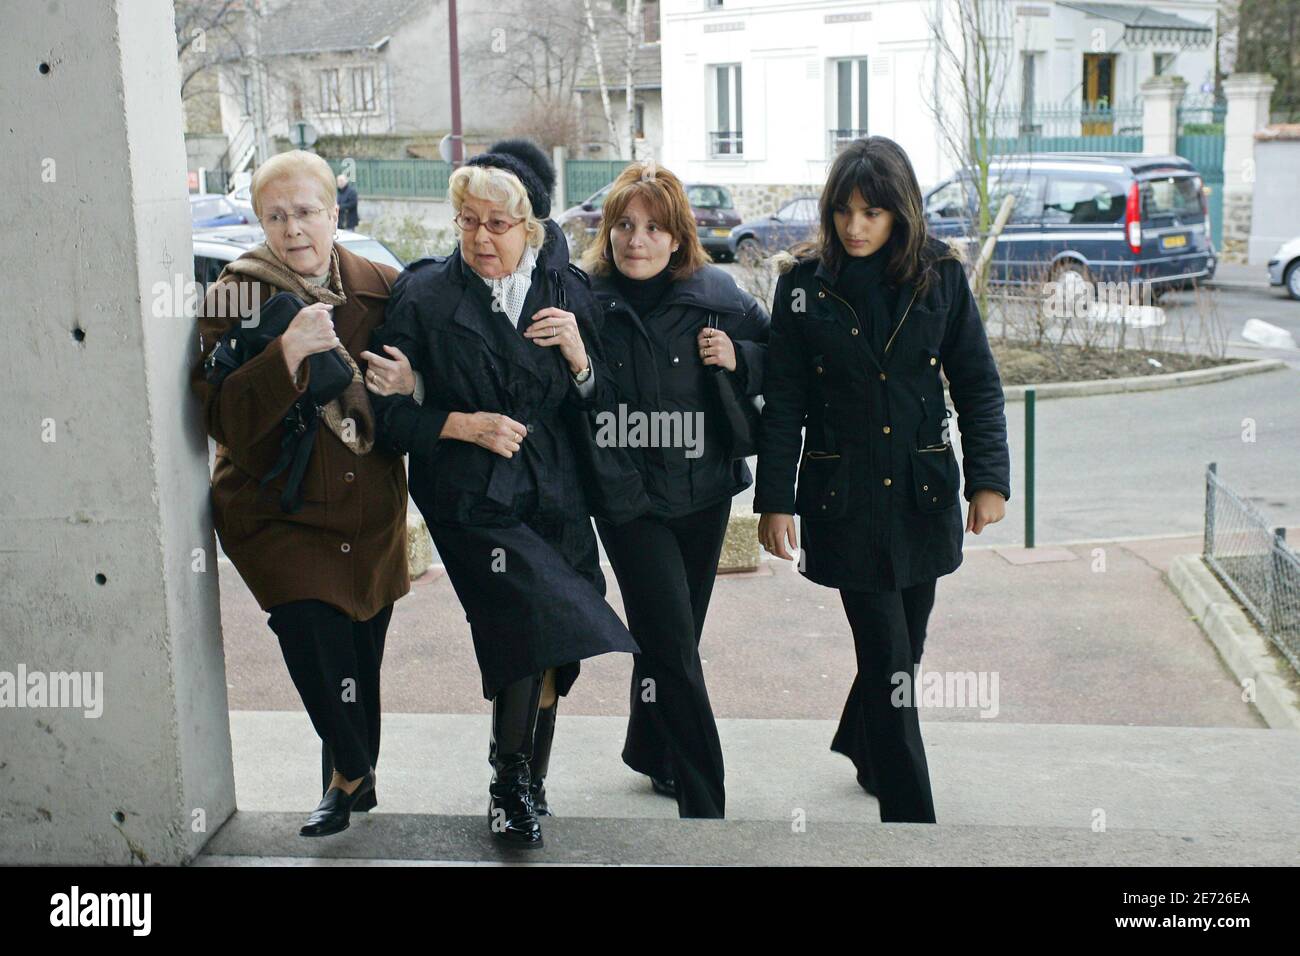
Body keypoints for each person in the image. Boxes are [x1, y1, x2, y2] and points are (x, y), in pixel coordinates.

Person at [363, 139, 646, 849]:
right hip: (470, 493)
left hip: (555, 490)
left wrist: (580, 358)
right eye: (466, 221)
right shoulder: (424, 295)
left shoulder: (570, 291)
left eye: (496, 223)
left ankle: (532, 780)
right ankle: (508, 786)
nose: (479, 237)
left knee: (560, 641)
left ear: (531, 227)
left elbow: (604, 401)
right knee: (532, 619)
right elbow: (388, 418)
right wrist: (460, 423)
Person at [755, 136, 1010, 823]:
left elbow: (977, 384)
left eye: (873, 212)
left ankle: (860, 744)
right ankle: (910, 824)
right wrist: (774, 502)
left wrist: (988, 480)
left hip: (923, 495)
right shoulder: (803, 286)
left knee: (908, 644)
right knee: (892, 662)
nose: (855, 226)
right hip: (844, 504)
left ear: (902, 212)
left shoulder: (940, 277)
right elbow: (783, 402)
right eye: (843, 211)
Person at [190, 149, 409, 837]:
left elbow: (427, 393)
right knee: (311, 633)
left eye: (306, 212)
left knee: (358, 653)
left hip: (365, 507)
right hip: (273, 507)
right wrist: (285, 354)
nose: (293, 229)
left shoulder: (383, 285)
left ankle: (350, 782)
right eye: (275, 216)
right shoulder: (235, 292)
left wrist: (411, 386)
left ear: (334, 214)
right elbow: (215, 416)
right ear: (260, 222)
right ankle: (349, 769)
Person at [579, 163, 769, 818]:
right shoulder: (585, 300)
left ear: (678, 234)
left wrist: (742, 358)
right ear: (609, 231)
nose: (638, 240)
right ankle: (703, 804)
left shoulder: (720, 296)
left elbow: (787, 359)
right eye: (626, 225)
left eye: (654, 227)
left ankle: (649, 749)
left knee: (673, 636)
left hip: (707, 493)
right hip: (628, 502)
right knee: (675, 647)